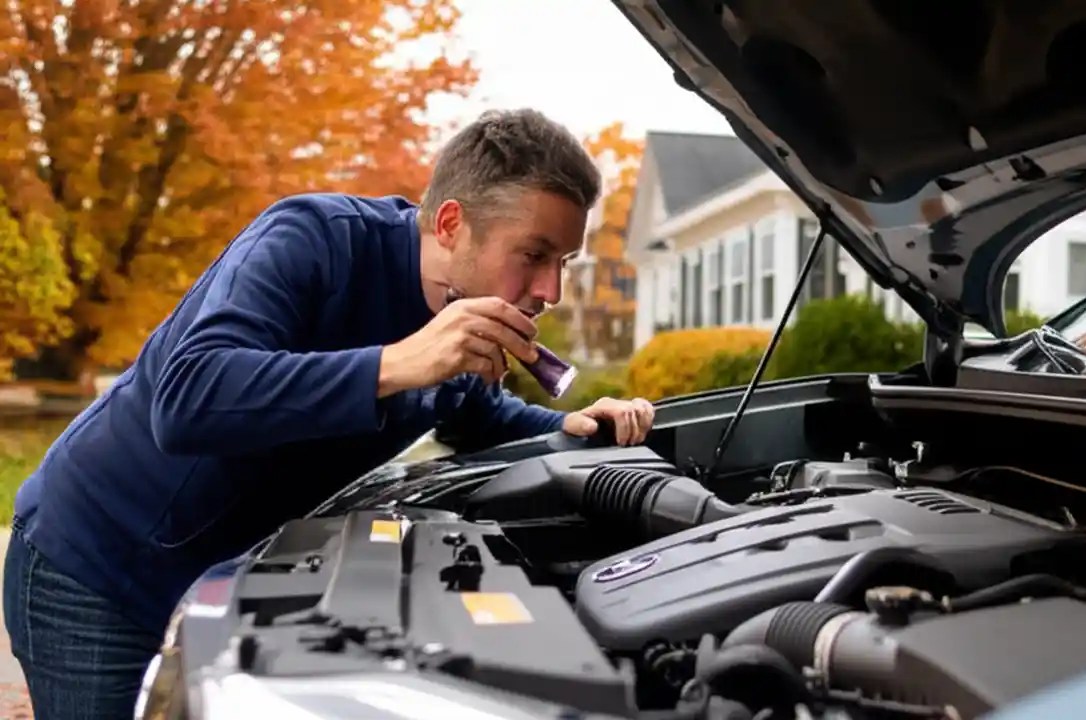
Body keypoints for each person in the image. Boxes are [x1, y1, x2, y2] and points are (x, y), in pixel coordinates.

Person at [2, 107, 656, 718]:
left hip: (216, 586)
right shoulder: (310, 239)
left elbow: (483, 418)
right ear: (452, 224)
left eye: (564, 262)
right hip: (94, 566)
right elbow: (187, 397)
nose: (551, 290)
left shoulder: (458, 331)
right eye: (535, 255)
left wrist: (575, 430)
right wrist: (397, 363)